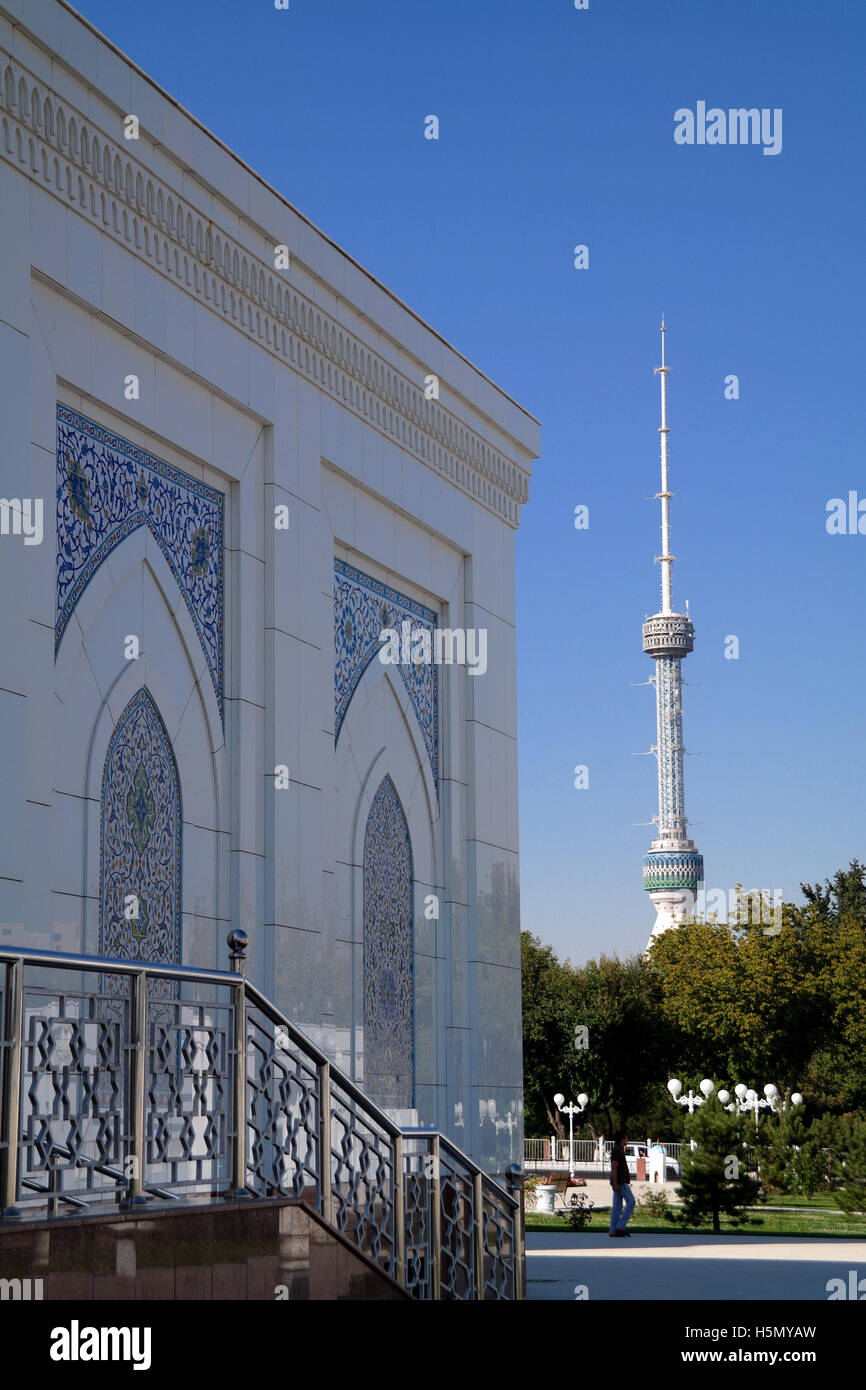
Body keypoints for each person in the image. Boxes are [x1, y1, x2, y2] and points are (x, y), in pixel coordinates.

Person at [609, 1129, 636, 1237]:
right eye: (626, 1137)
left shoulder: (618, 1149)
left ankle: (613, 1230)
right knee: (631, 1202)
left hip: (619, 1182)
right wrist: (616, 1183)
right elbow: (614, 1166)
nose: (627, 1139)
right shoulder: (617, 1150)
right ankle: (620, 1226)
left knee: (617, 1207)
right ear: (622, 1139)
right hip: (620, 1182)